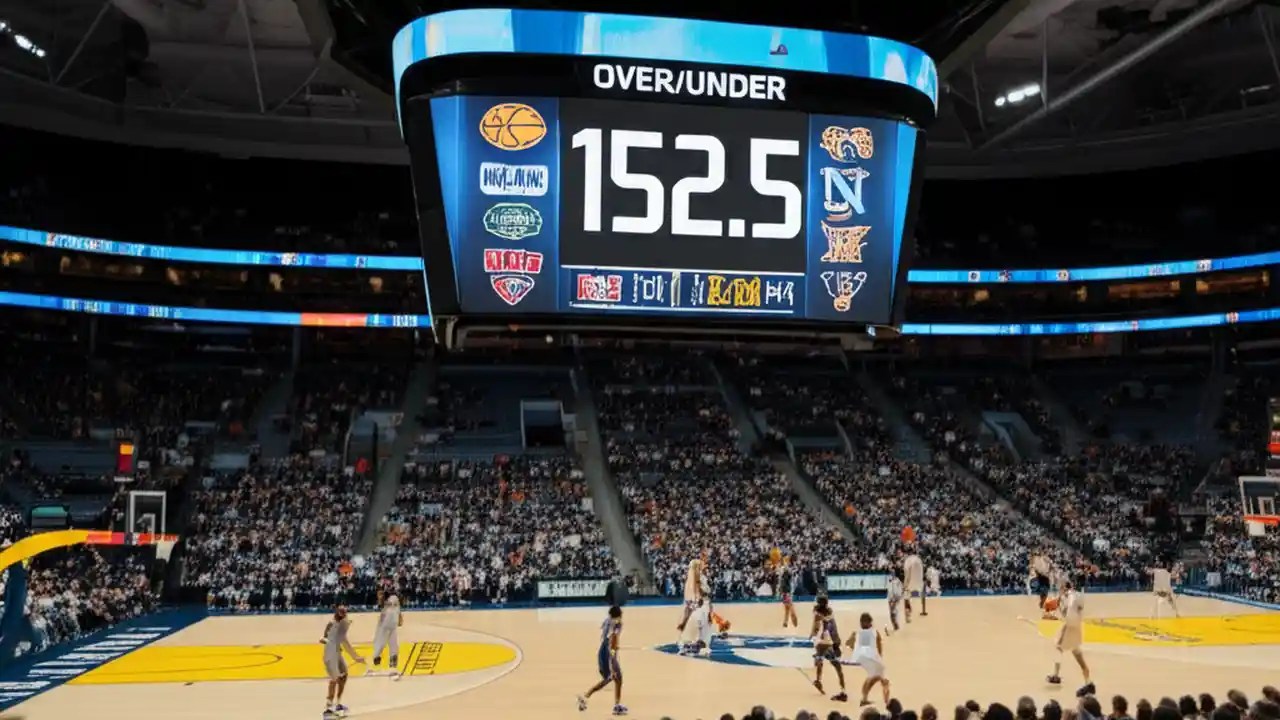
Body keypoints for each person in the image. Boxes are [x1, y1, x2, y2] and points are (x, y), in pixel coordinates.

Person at [1047, 579, 1094, 697]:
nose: (1060, 589)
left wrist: (1064, 628)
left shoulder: (1069, 597)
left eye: (1061, 587)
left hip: (1070, 627)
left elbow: (1068, 613)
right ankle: (1088, 682)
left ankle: (1056, 676)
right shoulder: (1078, 596)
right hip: (1076, 627)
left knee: (1058, 647)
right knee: (1077, 654)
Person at [579, 605, 626, 716]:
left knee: (617, 678)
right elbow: (614, 637)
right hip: (609, 653)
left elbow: (605, 636)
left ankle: (616, 705)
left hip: (603, 650)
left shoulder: (607, 621)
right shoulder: (618, 623)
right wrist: (614, 651)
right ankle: (585, 696)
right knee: (611, 678)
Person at [321, 605, 365, 719]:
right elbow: (325, 637)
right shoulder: (332, 624)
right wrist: (325, 639)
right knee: (334, 679)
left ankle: (338, 704)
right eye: (342, 613)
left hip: (336, 652)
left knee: (344, 675)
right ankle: (328, 710)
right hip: (330, 654)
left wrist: (355, 657)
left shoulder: (341, 626)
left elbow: (345, 642)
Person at [810, 595, 848, 702]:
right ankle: (843, 691)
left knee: (820, 660)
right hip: (827, 641)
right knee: (838, 667)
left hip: (819, 642)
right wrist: (837, 643)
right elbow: (833, 629)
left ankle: (818, 679)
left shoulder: (816, 612)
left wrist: (811, 638)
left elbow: (815, 629)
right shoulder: (830, 613)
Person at [847, 611, 889, 707]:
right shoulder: (874, 632)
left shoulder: (857, 632)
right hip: (871, 658)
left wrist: (855, 649)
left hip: (860, 658)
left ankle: (864, 698)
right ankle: (887, 703)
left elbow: (848, 644)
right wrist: (879, 659)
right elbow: (879, 647)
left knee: (873, 678)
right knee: (884, 680)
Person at [677, 551, 709, 642]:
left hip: (689, 597)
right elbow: (697, 585)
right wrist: (698, 596)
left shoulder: (693, 570)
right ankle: (699, 638)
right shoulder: (696, 570)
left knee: (688, 615)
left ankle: (682, 635)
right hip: (694, 597)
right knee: (701, 617)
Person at [372, 589, 403, 674]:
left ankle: (385, 657)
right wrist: (400, 619)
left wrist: (400, 618)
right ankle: (380, 656)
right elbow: (397, 610)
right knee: (387, 642)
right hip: (388, 624)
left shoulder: (393, 599)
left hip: (388, 624)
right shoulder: (391, 599)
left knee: (389, 642)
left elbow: (398, 610)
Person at [903, 551, 925, 621]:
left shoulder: (907, 561)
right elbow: (922, 572)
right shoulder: (919, 560)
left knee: (906, 597)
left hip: (910, 583)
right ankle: (923, 610)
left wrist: (905, 585)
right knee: (922, 594)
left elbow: (907, 574)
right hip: (919, 583)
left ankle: (908, 614)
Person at [780, 556, 799, 628]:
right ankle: (785, 622)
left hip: (787, 591)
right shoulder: (785, 570)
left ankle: (793, 621)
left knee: (790, 607)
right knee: (787, 608)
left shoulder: (791, 569)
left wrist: (784, 563)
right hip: (786, 591)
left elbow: (789, 572)